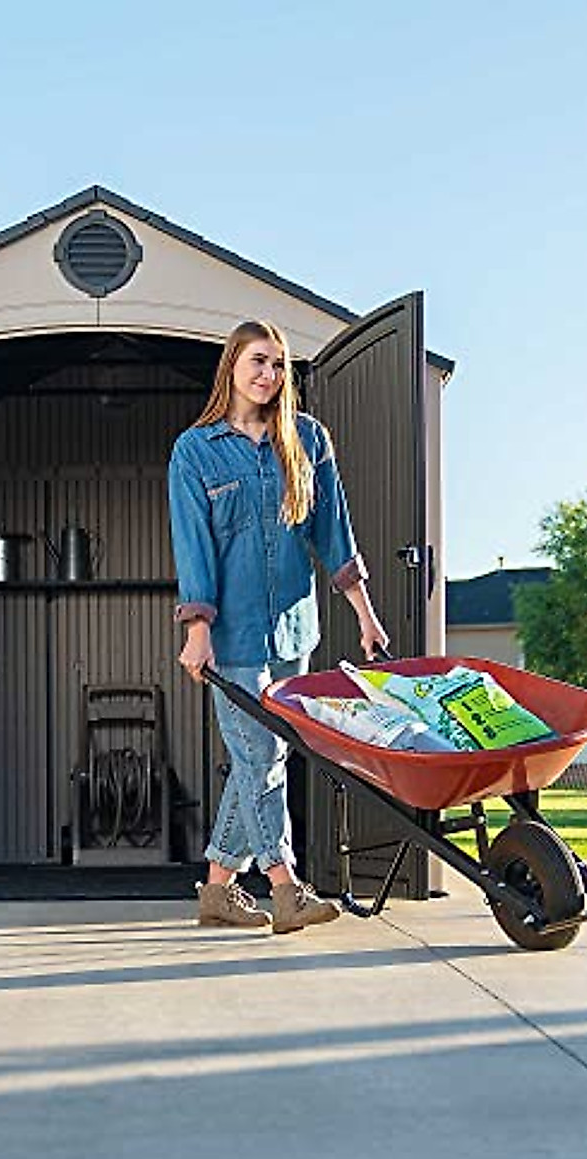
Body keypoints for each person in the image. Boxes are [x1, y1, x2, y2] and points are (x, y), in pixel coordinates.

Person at [168, 319, 389, 933]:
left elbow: (334, 535)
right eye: (258, 362)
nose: (268, 375)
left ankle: (217, 890)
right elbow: (194, 549)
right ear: (232, 366)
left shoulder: (308, 441)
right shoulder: (197, 450)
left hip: (295, 630)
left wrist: (365, 616)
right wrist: (197, 627)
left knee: (264, 759)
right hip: (232, 636)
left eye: (278, 365)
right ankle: (285, 889)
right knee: (260, 758)